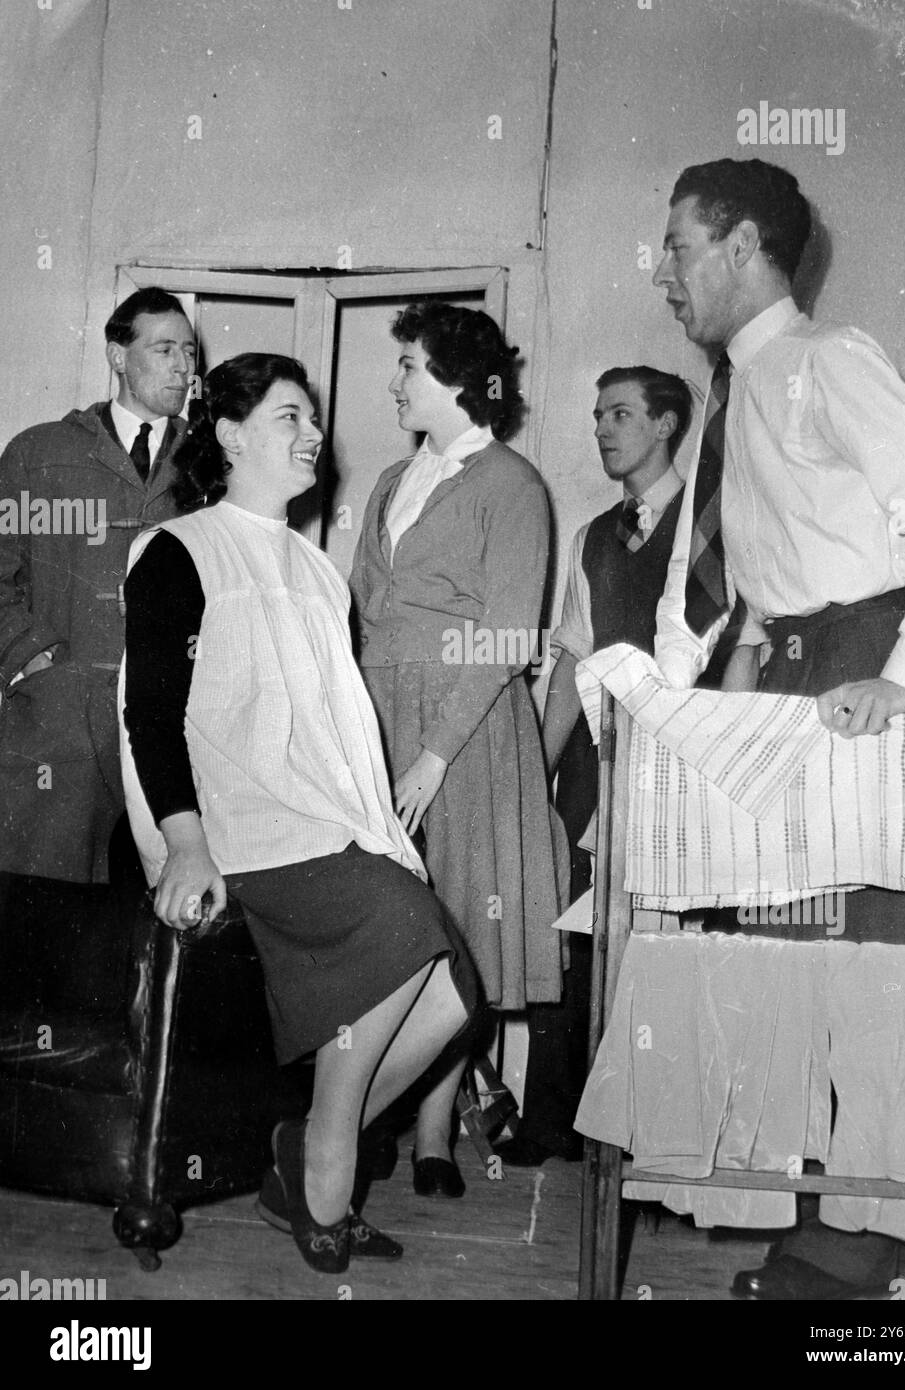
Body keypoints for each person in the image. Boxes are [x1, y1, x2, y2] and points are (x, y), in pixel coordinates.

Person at [651, 156, 905, 1299]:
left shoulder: (826, 364)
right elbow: (723, 594)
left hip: (863, 666)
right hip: (792, 679)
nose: (663, 273)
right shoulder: (734, 394)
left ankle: (866, 1240)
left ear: (743, 246)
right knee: (809, 971)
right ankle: (828, 1219)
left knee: (881, 965)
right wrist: (676, 707)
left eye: (679, 245)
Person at [120, 352, 477, 1275]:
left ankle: (308, 1139)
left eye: (310, 417)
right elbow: (151, 716)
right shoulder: (179, 550)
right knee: (403, 926)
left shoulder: (321, 576)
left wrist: (385, 835)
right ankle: (326, 1167)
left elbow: (340, 733)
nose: (312, 432)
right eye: (288, 417)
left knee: (451, 996)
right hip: (238, 832)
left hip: (326, 826)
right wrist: (183, 846)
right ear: (231, 436)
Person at [350, 302, 565, 1197]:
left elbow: (509, 633)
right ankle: (364, 1116)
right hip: (382, 712)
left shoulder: (514, 485)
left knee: (459, 932)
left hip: (466, 732)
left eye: (408, 366)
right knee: (384, 929)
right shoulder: (391, 481)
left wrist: (433, 754)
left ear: (457, 379)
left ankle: (434, 1132)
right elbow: (362, 606)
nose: (394, 382)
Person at [497, 366, 693, 1167]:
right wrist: (535, 779)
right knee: (574, 943)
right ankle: (555, 1125)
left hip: (676, 758)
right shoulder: (589, 538)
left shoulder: (707, 527)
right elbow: (571, 669)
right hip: (594, 763)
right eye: (597, 415)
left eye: (620, 414)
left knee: (667, 947)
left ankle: (657, 1142)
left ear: (667, 425)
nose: (603, 429)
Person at [0, 287, 195, 885]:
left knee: (168, 901)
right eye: (164, 349)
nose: (183, 367)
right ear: (117, 356)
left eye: (188, 351)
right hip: (61, 717)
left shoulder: (212, 460)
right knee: (43, 897)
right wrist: (30, 657)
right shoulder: (40, 452)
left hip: (175, 714)